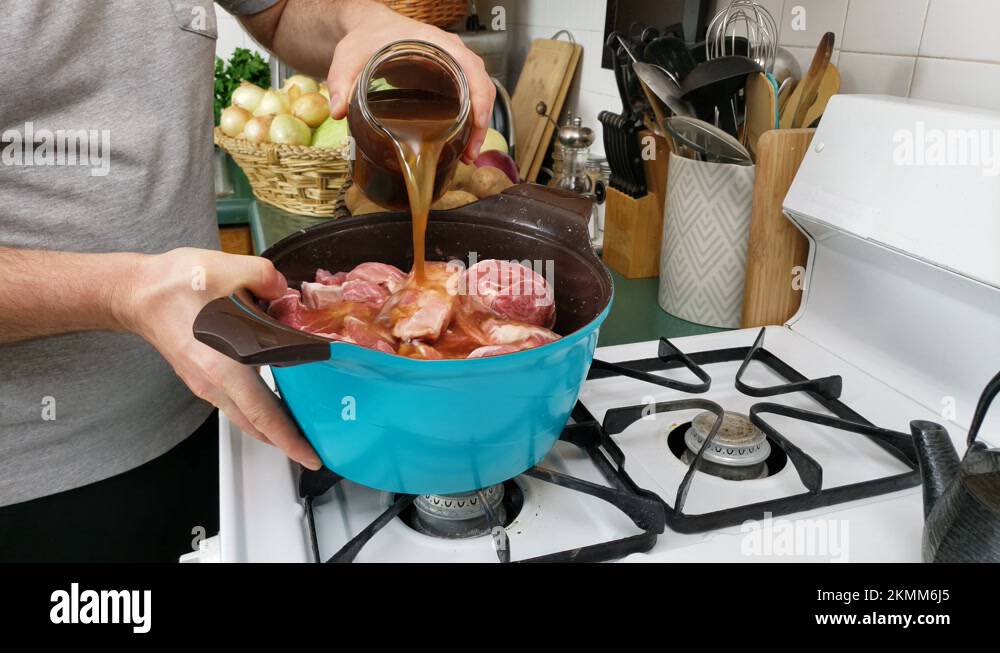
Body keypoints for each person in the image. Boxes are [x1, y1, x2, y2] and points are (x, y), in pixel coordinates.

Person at [0, 0, 494, 562]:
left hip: (211, 400)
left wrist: (361, 21)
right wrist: (122, 293)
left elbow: (279, 13)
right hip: (36, 480)